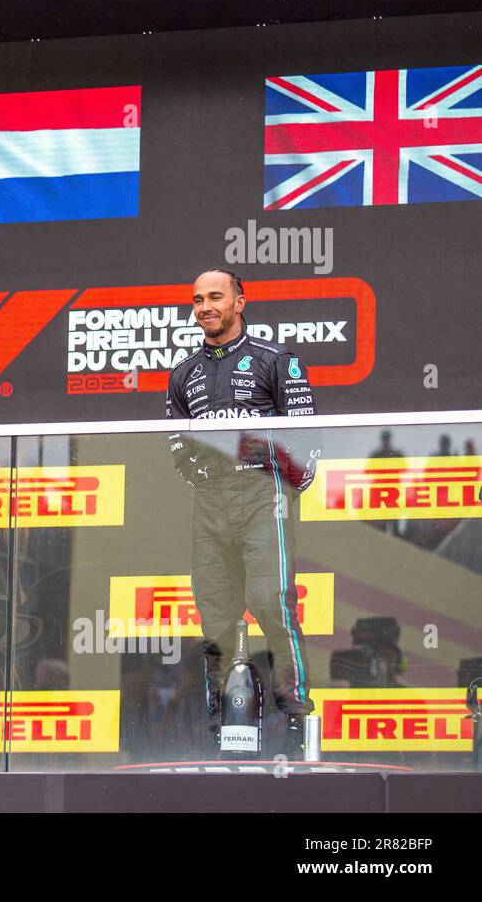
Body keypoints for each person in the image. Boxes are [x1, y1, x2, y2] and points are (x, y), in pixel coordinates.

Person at [165, 270, 320, 757]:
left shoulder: (276, 359)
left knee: (271, 602)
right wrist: (208, 476)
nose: (205, 307)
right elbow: (175, 443)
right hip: (209, 501)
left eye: (215, 297)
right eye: (197, 300)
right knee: (215, 617)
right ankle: (223, 728)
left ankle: (295, 723)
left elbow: (307, 434)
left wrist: (278, 483)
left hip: (261, 495)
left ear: (239, 301)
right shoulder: (182, 373)